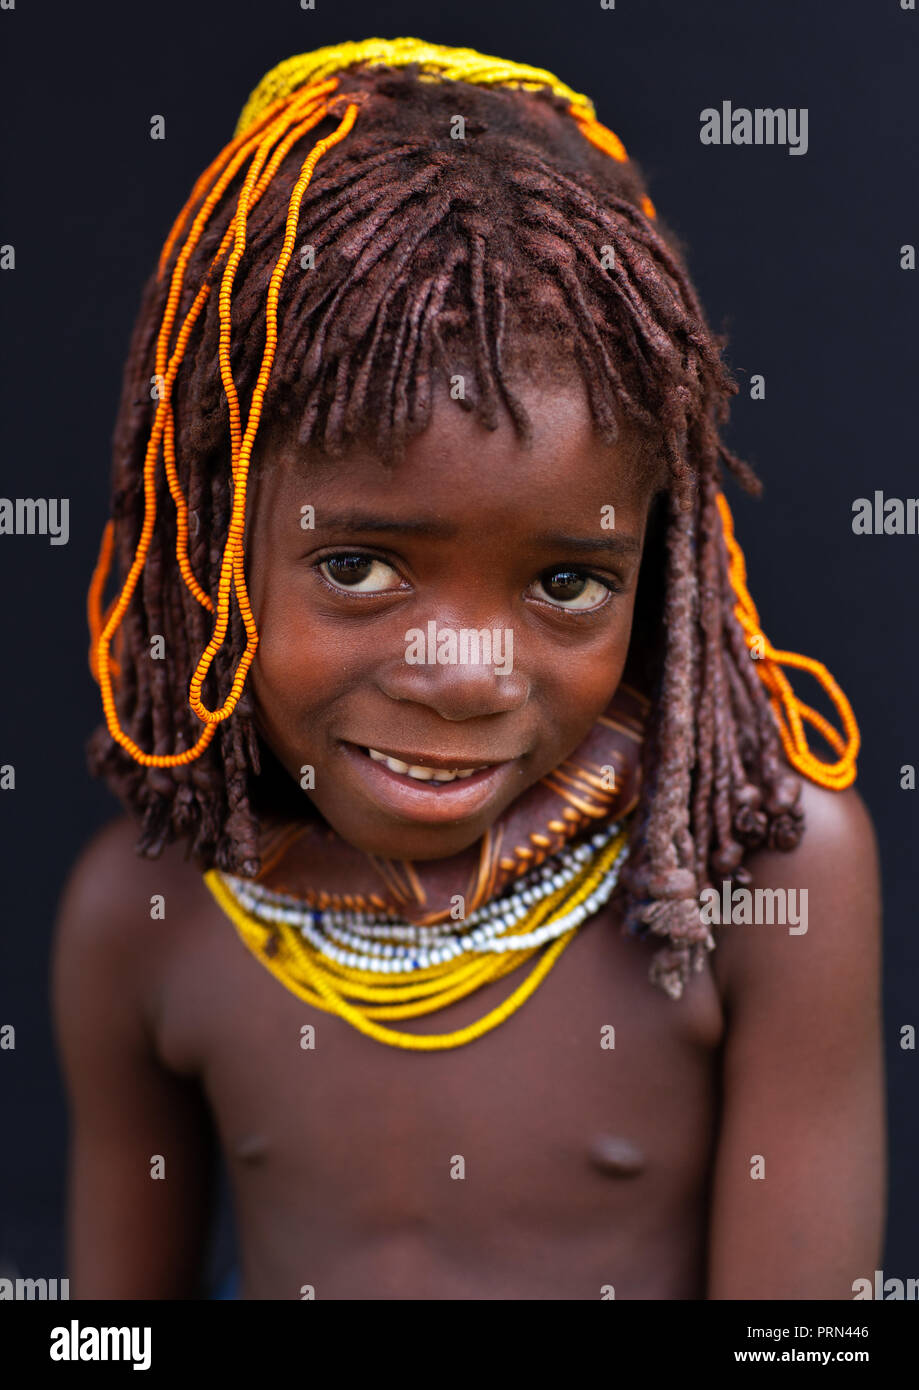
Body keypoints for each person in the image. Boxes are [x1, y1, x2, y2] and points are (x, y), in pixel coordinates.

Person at [52, 37, 883, 1300]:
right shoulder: (148, 913)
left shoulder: (760, 884)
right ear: (211, 551)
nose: (464, 673)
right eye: (360, 568)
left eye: (566, 583)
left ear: (655, 571)